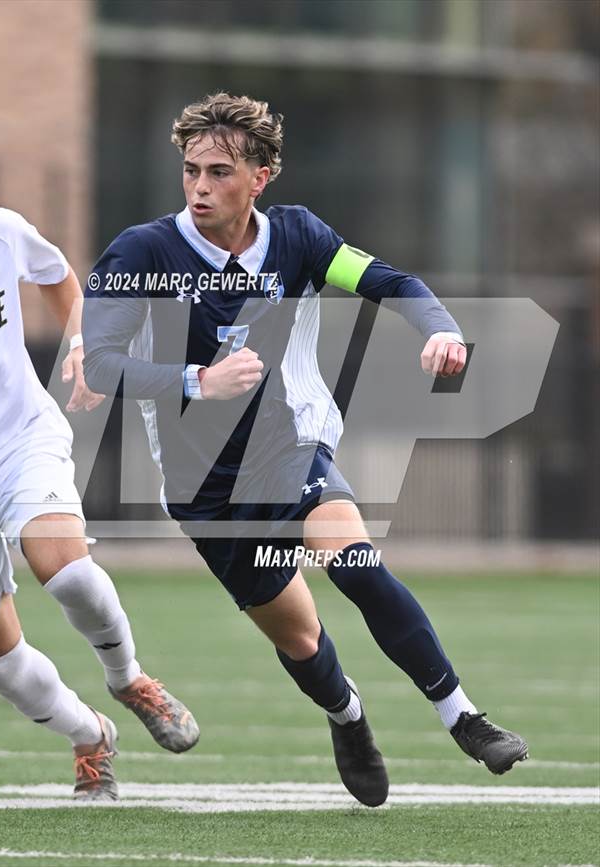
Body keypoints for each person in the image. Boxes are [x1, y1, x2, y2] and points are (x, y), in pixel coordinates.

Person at [82, 93, 528, 807]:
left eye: (219, 171)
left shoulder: (299, 238)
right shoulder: (142, 253)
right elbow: (99, 365)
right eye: (191, 170)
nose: (200, 186)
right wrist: (198, 378)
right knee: (300, 637)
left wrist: (438, 329)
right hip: (206, 490)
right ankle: (348, 716)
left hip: (293, 442)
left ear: (261, 176)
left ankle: (465, 717)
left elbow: (392, 282)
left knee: (356, 564)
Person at [0, 204, 199, 803]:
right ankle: (90, 736)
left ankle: (129, 679)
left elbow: (57, 273)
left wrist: (85, 343)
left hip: (20, 438)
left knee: (68, 574)